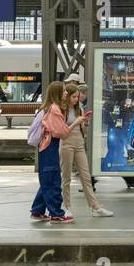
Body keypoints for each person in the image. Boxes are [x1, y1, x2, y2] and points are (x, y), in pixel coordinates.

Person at [31, 81, 89, 223]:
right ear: (57, 93)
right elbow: (62, 132)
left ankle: (38, 210)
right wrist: (75, 123)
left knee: (47, 179)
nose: (65, 93)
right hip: (50, 146)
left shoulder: (49, 107)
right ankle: (57, 213)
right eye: (63, 91)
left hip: (45, 146)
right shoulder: (55, 109)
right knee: (53, 180)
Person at [61, 81, 111, 218]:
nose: (77, 99)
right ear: (68, 96)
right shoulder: (62, 109)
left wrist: (85, 122)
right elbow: (62, 131)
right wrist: (76, 122)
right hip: (66, 142)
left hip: (79, 142)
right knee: (66, 177)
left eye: (78, 96)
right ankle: (67, 207)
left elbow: (83, 130)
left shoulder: (80, 109)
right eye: (74, 97)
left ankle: (95, 207)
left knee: (86, 176)